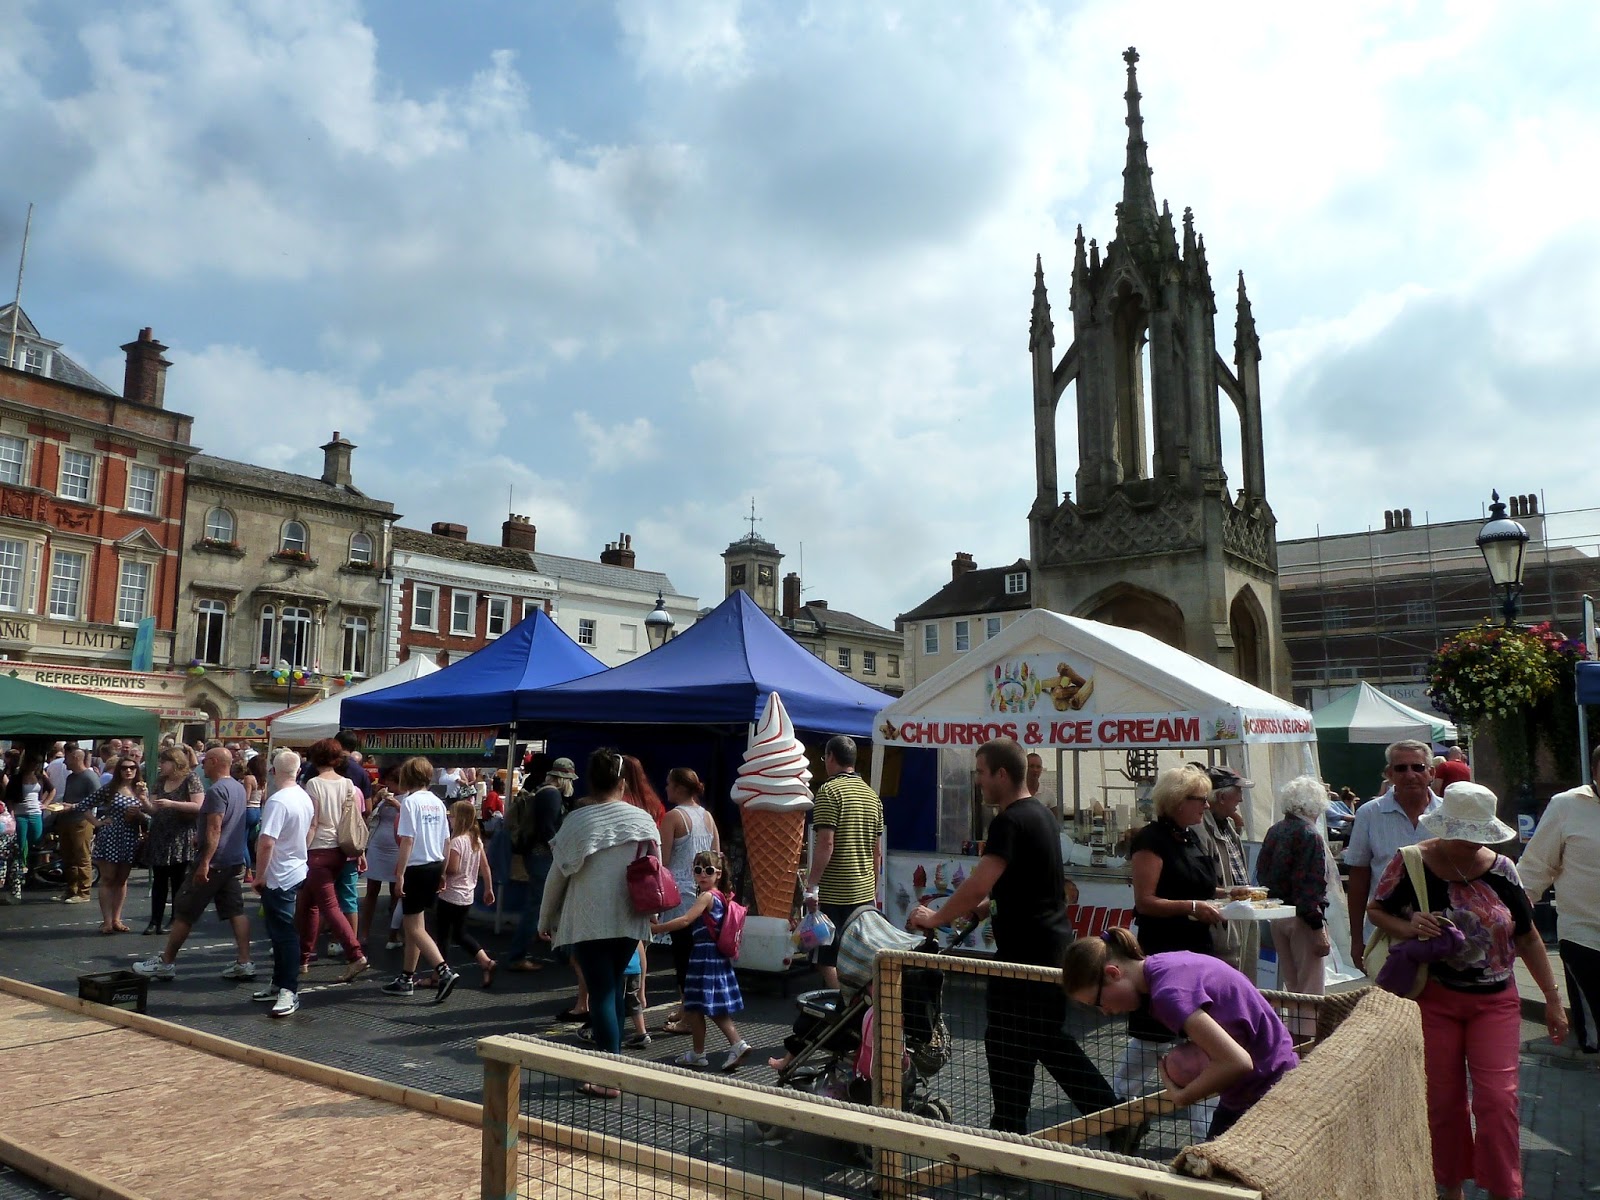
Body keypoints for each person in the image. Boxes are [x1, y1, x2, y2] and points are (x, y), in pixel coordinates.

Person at [907, 737, 1120, 1137]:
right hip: (1048, 948)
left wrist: (935, 917)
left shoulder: (1009, 821)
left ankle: (1017, 1133)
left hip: (1024, 956)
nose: (978, 781)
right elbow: (1027, 886)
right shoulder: (1040, 815)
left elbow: (978, 883)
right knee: (1035, 1041)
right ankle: (1104, 1117)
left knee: (1011, 1045)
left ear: (1002, 774)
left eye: (982, 772)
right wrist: (984, 909)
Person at [1369, 782, 1566, 1200]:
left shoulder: (1502, 869)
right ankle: (1449, 1186)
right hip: (1434, 997)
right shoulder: (1412, 862)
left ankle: (1504, 1190)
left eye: (1478, 835)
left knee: (1498, 1101)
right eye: (1462, 834)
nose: (1470, 844)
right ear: (1444, 827)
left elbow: (1528, 936)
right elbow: (1377, 908)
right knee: (1442, 1102)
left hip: (1495, 1000)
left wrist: (1552, 999)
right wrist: (1409, 927)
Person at [1062, 927, 1300, 1139]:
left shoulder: (1168, 995)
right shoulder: (1163, 964)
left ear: (1113, 973)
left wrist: (1182, 1096)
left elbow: (1237, 1062)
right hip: (1272, 1074)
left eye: (1099, 1001)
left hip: (1265, 1090)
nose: (1106, 1012)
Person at [539, 747, 658, 1065]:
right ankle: (614, 1065)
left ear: (590, 781)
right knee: (614, 988)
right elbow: (656, 868)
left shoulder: (578, 821)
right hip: (630, 916)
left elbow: (557, 875)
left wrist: (545, 919)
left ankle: (608, 1073)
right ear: (623, 782)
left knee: (601, 991)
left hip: (589, 920)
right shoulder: (643, 820)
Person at [1119, 764, 1223, 1128]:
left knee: (1199, 1038)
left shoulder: (1190, 837)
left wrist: (1231, 895)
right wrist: (1195, 907)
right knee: (1152, 1038)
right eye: (1200, 799)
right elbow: (1146, 900)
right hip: (1163, 952)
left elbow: (1198, 890)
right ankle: (1121, 1107)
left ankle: (1203, 1130)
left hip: (1197, 952)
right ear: (1179, 801)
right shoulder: (1151, 839)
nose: (1206, 806)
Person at [133, 748, 255, 983]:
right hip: (232, 860)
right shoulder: (238, 787)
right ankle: (244, 961)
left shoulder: (217, 790)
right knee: (235, 910)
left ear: (215, 762)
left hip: (215, 861)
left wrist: (205, 862)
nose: (202, 765)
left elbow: (215, 827)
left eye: (205, 761)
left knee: (184, 911)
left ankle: (166, 963)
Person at [1520, 743, 1600, 1054]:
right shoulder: (1567, 806)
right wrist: (1510, 915)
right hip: (1586, 938)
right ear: (1594, 772)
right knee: (1594, 1036)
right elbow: (1536, 867)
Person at [651, 850, 751, 1071]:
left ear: (718, 874)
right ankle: (704, 1051)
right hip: (715, 957)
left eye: (708, 870)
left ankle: (731, 1045)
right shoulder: (723, 897)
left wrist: (658, 928)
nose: (702, 875)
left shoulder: (707, 897)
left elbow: (686, 919)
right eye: (698, 870)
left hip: (705, 957)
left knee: (703, 1005)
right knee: (699, 1007)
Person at [1345, 739, 1442, 968]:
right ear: (1389, 773)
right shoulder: (1369, 814)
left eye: (1417, 767)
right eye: (1401, 768)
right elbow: (1358, 879)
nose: (1410, 774)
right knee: (1389, 1003)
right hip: (1384, 935)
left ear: (1431, 772)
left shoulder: (1447, 814)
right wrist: (1357, 940)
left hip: (1440, 932)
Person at [805, 736, 884, 991]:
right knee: (856, 955)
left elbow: (826, 844)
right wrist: (873, 887)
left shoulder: (828, 792)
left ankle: (844, 1006)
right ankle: (857, 1005)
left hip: (834, 893)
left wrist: (811, 886)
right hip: (863, 892)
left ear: (830, 757)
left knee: (823, 955)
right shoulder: (873, 796)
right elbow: (877, 852)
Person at [383, 756, 460, 1002]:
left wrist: (399, 874)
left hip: (416, 866)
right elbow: (446, 840)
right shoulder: (438, 803)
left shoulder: (410, 802)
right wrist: (443, 872)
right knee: (414, 925)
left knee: (414, 927)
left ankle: (443, 970)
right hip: (434, 864)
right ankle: (407, 977)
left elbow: (408, 839)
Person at [293, 738, 368, 983]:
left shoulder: (313, 784)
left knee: (327, 906)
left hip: (318, 850)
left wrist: (300, 852)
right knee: (308, 904)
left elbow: (312, 823)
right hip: (339, 851)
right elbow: (353, 819)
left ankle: (355, 955)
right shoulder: (347, 783)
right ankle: (302, 958)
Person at [1254, 775, 1333, 994]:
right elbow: (1309, 887)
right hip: (1303, 918)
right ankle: (1306, 1030)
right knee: (1310, 991)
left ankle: (1292, 1030)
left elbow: (1262, 872)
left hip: (1278, 915)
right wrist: (1318, 928)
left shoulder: (1275, 830)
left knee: (1293, 987)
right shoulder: (1309, 835)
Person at [253, 749, 316, 1017]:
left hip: (280, 875)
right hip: (296, 870)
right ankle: (280, 983)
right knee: (280, 933)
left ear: (273, 771)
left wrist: (259, 875)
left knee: (284, 935)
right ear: (298, 771)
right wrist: (300, 853)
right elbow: (313, 827)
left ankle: (289, 989)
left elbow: (267, 841)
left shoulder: (278, 801)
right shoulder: (304, 796)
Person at [657, 767, 719, 1033]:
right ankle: (686, 1008)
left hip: (680, 894)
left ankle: (688, 1017)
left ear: (680, 788)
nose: (666, 788)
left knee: (682, 956)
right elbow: (717, 856)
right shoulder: (707, 816)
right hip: (704, 894)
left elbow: (663, 861)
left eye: (669, 784)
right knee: (694, 954)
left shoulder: (673, 817)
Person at [502, 757, 577, 973]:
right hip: (543, 856)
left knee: (543, 904)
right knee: (539, 906)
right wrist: (559, 851)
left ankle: (561, 952)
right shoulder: (552, 794)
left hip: (536, 855)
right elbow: (547, 830)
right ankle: (519, 955)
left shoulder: (542, 791)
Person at [1193, 764, 1259, 982]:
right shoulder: (1200, 829)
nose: (1240, 799)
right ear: (1221, 797)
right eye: (1238, 792)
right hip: (1222, 921)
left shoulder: (1228, 824)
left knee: (1244, 978)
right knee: (1225, 981)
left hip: (1240, 915)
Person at [80, 756, 148, 934]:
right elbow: (84, 805)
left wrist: (140, 813)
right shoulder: (110, 789)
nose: (129, 771)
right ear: (118, 770)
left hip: (130, 836)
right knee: (108, 879)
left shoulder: (140, 789)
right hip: (111, 836)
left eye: (132, 768)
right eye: (124, 768)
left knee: (122, 879)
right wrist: (97, 823)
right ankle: (107, 921)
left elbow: (150, 813)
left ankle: (117, 919)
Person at [141, 747, 204, 935]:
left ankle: (176, 918)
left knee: (178, 880)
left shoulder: (190, 779)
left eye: (164, 762)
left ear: (175, 763)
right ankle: (155, 920)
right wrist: (143, 800)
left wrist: (172, 804)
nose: (161, 766)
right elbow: (153, 810)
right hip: (161, 834)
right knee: (159, 880)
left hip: (181, 835)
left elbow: (199, 806)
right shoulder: (160, 781)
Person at [435, 799, 497, 987]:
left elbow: (453, 869)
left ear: (459, 819)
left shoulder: (456, 842)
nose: (449, 820)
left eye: (451, 817)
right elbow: (484, 866)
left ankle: (440, 973)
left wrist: (441, 872)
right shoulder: (475, 840)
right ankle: (485, 961)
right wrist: (488, 888)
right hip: (467, 895)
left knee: (443, 935)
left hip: (451, 894)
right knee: (460, 934)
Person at [358, 778, 404, 952]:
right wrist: (377, 799)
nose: (390, 787)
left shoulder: (408, 798)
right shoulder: (383, 796)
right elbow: (368, 816)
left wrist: (396, 804)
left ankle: (393, 934)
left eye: (393, 783)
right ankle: (364, 933)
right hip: (378, 845)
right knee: (371, 891)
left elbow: (409, 818)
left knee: (395, 893)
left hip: (397, 847)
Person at [4, 752, 51, 903]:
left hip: (35, 812)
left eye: (37, 763)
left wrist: (46, 803)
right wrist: (11, 814)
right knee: (21, 842)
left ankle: (30, 868)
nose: (35, 765)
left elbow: (52, 789)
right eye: (33, 762)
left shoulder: (40, 776)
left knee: (36, 837)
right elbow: (9, 797)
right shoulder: (17, 778)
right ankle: (21, 869)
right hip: (20, 813)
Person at [55, 747, 101, 903]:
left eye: (67, 758)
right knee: (68, 856)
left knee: (82, 856)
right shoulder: (71, 777)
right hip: (67, 820)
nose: (64, 762)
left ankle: (84, 892)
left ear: (75, 758)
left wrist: (74, 806)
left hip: (82, 821)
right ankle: (71, 889)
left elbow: (98, 798)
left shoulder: (89, 777)